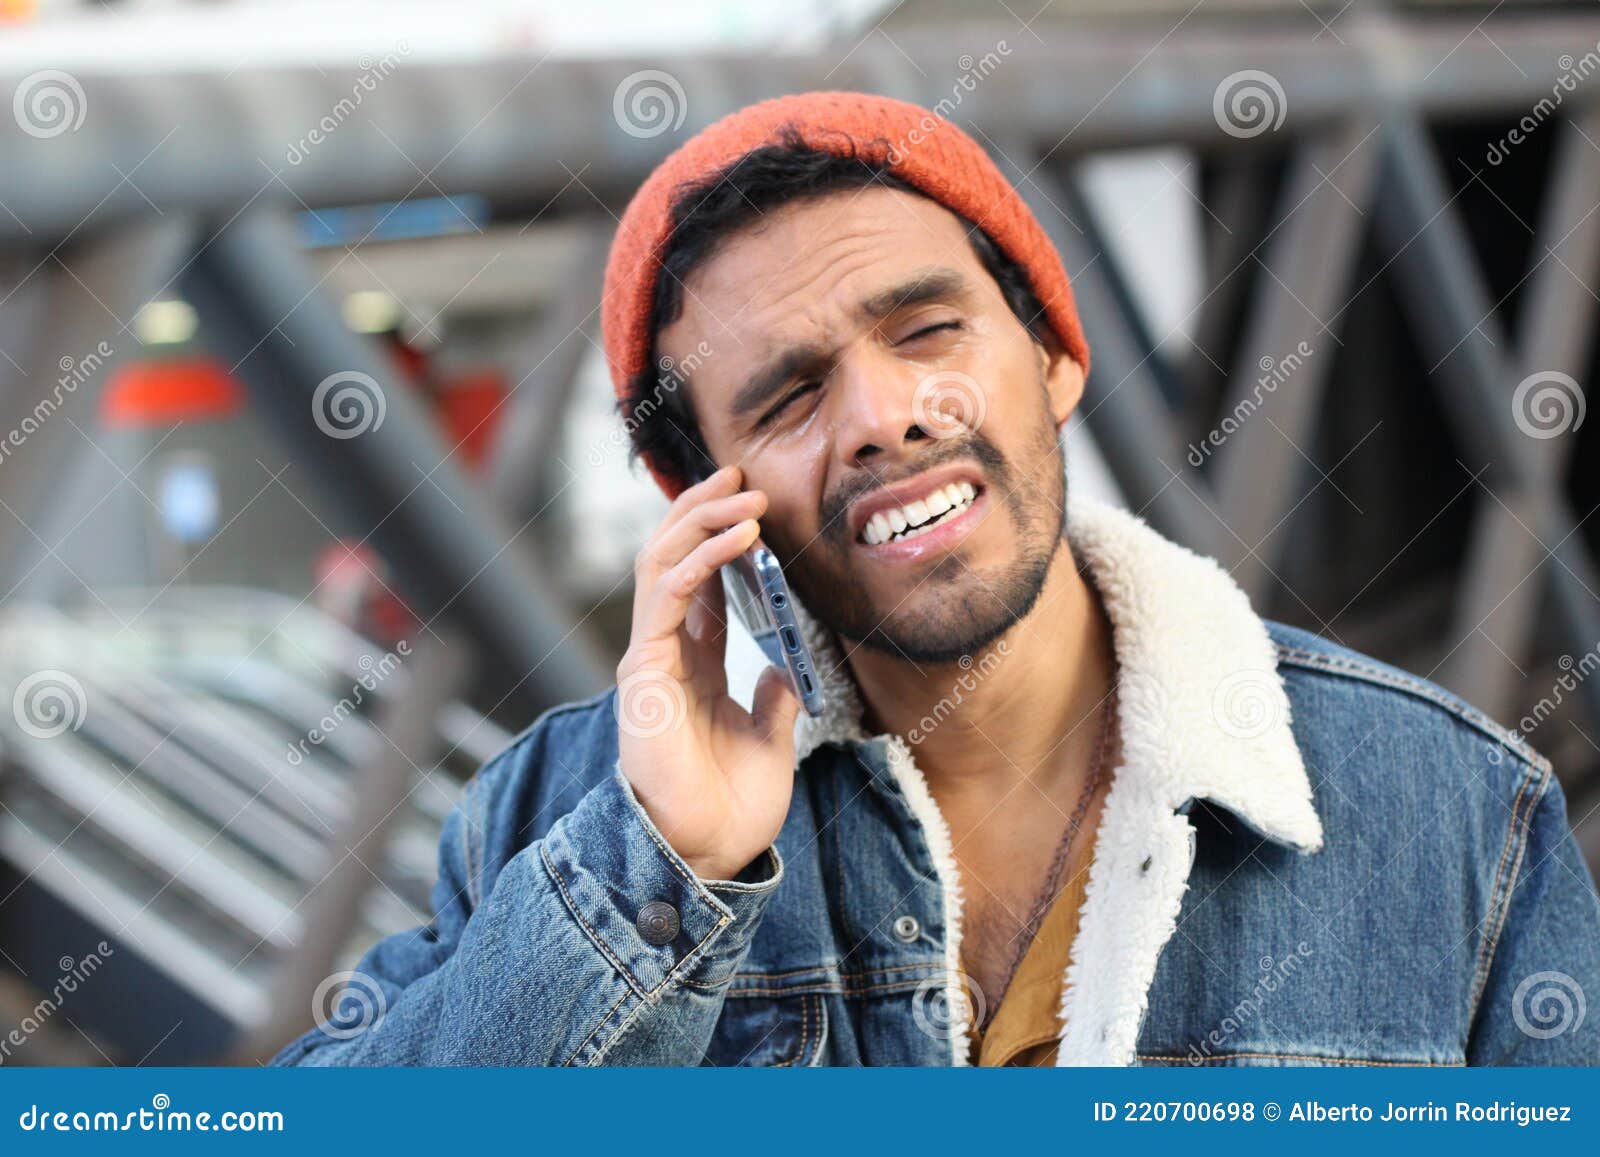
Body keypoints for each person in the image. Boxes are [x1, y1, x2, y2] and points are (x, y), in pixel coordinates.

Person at [274, 92, 1600, 1067]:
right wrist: (660, 876)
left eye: (926, 329)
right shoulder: (564, 817)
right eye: (788, 397)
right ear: (712, 502)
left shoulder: (1457, 809)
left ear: (1056, 357)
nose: (883, 416)